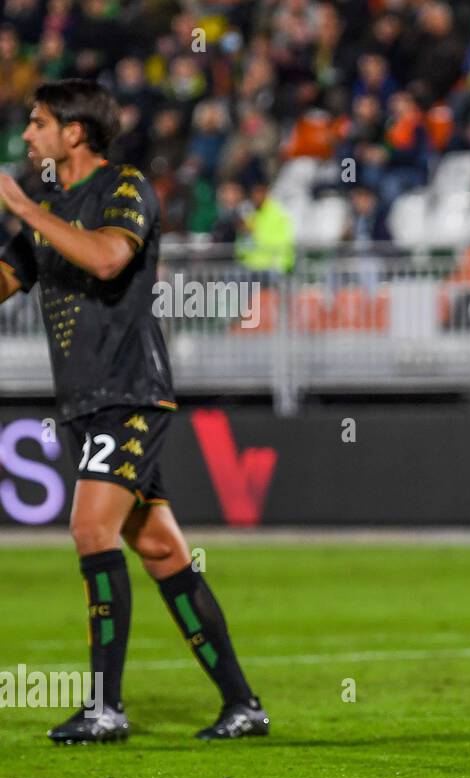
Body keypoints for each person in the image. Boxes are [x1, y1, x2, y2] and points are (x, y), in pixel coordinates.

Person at [0, 79, 269, 742]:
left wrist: (24, 210)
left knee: (92, 529)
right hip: (83, 403)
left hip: (131, 394)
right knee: (160, 550)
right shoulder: (48, 203)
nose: (27, 135)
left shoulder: (124, 188)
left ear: (73, 131)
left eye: (37, 123)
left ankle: (104, 706)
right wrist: (28, 214)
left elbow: (109, 256)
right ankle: (243, 704)